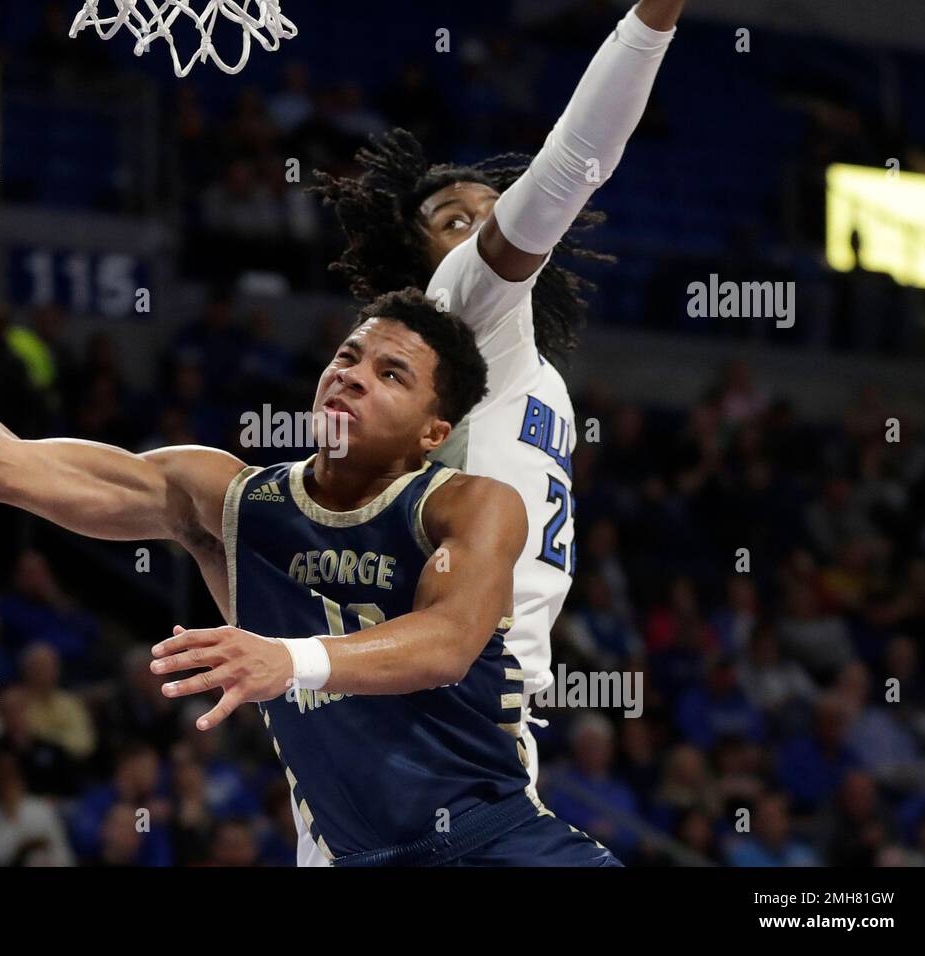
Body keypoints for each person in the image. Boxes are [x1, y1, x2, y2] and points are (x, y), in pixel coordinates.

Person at [0, 235, 617, 866]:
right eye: (349, 355)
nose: (352, 373)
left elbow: (448, 643)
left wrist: (288, 659)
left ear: (436, 430)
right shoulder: (230, 499)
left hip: (497, 840)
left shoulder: (469, 504)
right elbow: (0, 463)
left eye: (391, 373)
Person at [306, 0, 684, 863]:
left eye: (490, 206)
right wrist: (651, 20)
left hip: (479, 720)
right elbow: (570, 169)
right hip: (429, 719)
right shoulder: (456, 307)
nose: (484, 225)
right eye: (452, 220)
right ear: (422, 261)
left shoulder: (527, 367)